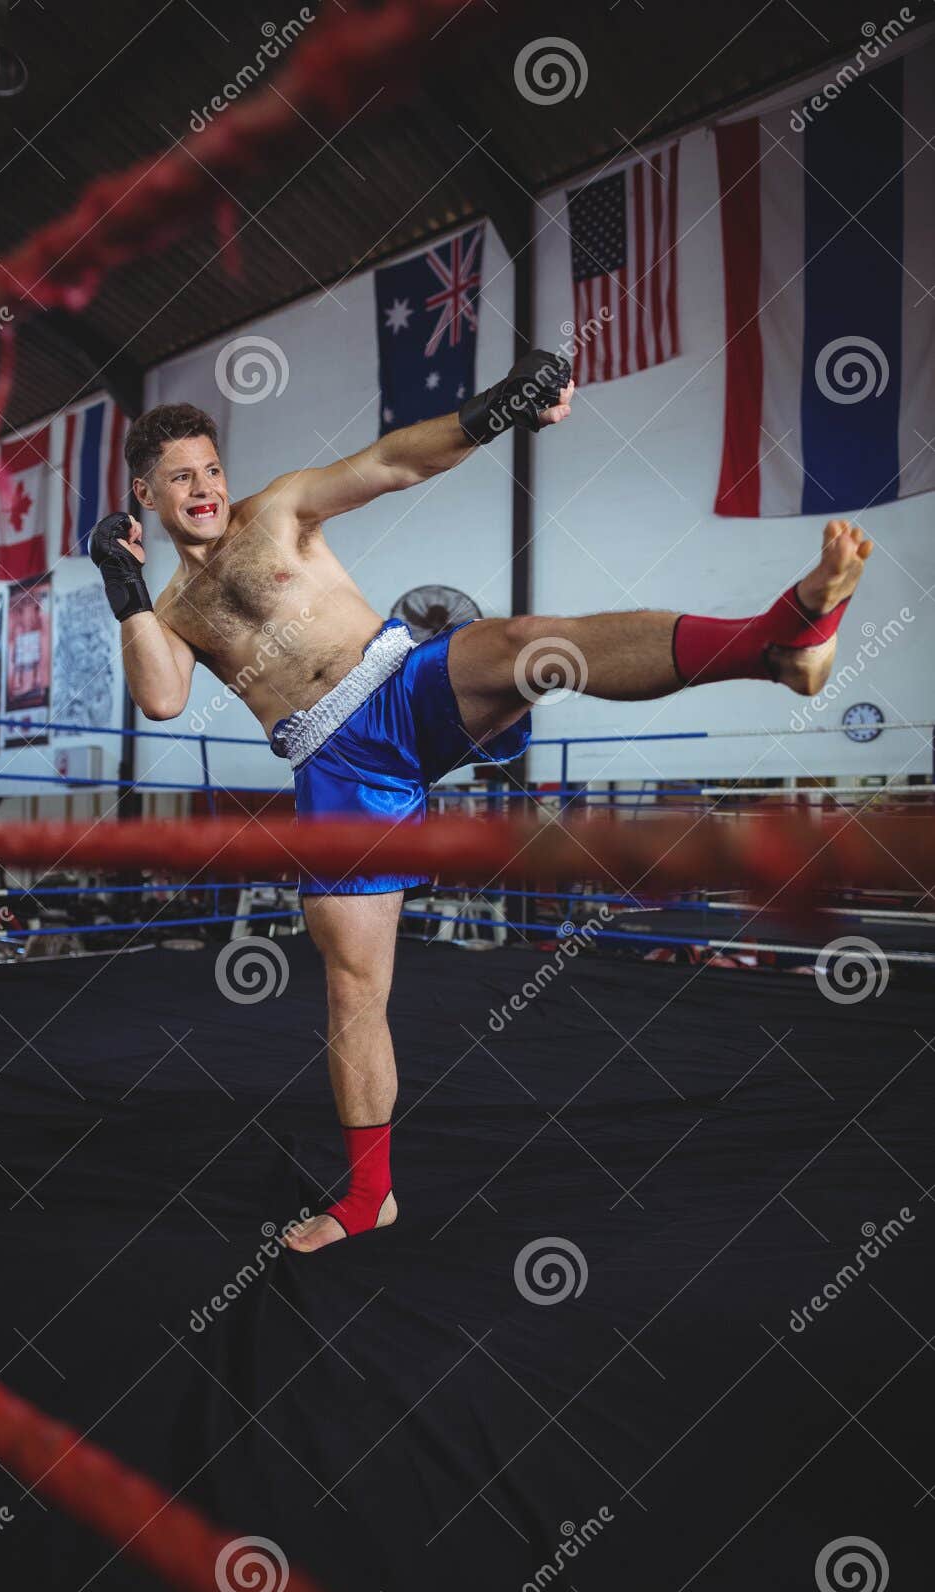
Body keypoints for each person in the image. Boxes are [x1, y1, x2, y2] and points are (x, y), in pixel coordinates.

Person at [90, 351, 872, 1252]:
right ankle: (366, 1198)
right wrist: (125, 590)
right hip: (334, 767)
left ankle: (772, 647)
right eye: (181, 477)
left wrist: (494, 409)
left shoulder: (278, 510)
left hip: (403, 680)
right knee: (353, 992)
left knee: (526, 642)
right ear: (146, 496)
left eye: (211, 468)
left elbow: (392, 462)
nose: (205, 487)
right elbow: (159, 698)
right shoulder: (175, 605)